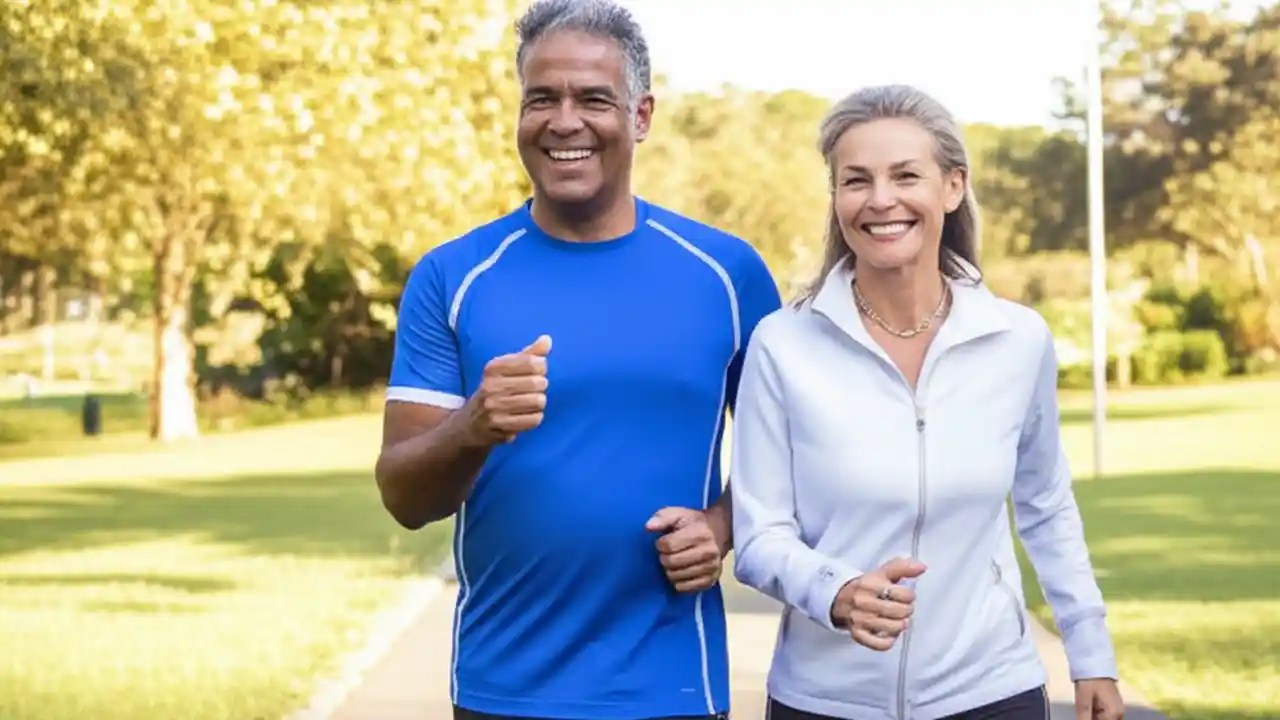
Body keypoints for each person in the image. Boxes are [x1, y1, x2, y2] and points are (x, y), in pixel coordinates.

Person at [374, 1, 781, 718]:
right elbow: (406, 500)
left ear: (642, 115)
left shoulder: (727, 274)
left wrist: (721, 525)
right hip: (504, 686)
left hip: (675, 687)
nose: (565, 122)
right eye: (541, 99)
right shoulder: (453, 275)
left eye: (594, 98)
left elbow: (796, 459)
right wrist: (474, 424)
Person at [729, 84, 1126, 720]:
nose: (880, 199)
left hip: (993, 692)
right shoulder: (783, 345)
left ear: (952, 187)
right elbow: (758, 535)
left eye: (906, 176)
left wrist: (1092, 654)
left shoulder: (1017, 340)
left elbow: (1046, 506)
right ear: (836, 199)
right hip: (825, 702)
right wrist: (837, 592)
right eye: (855, 181)